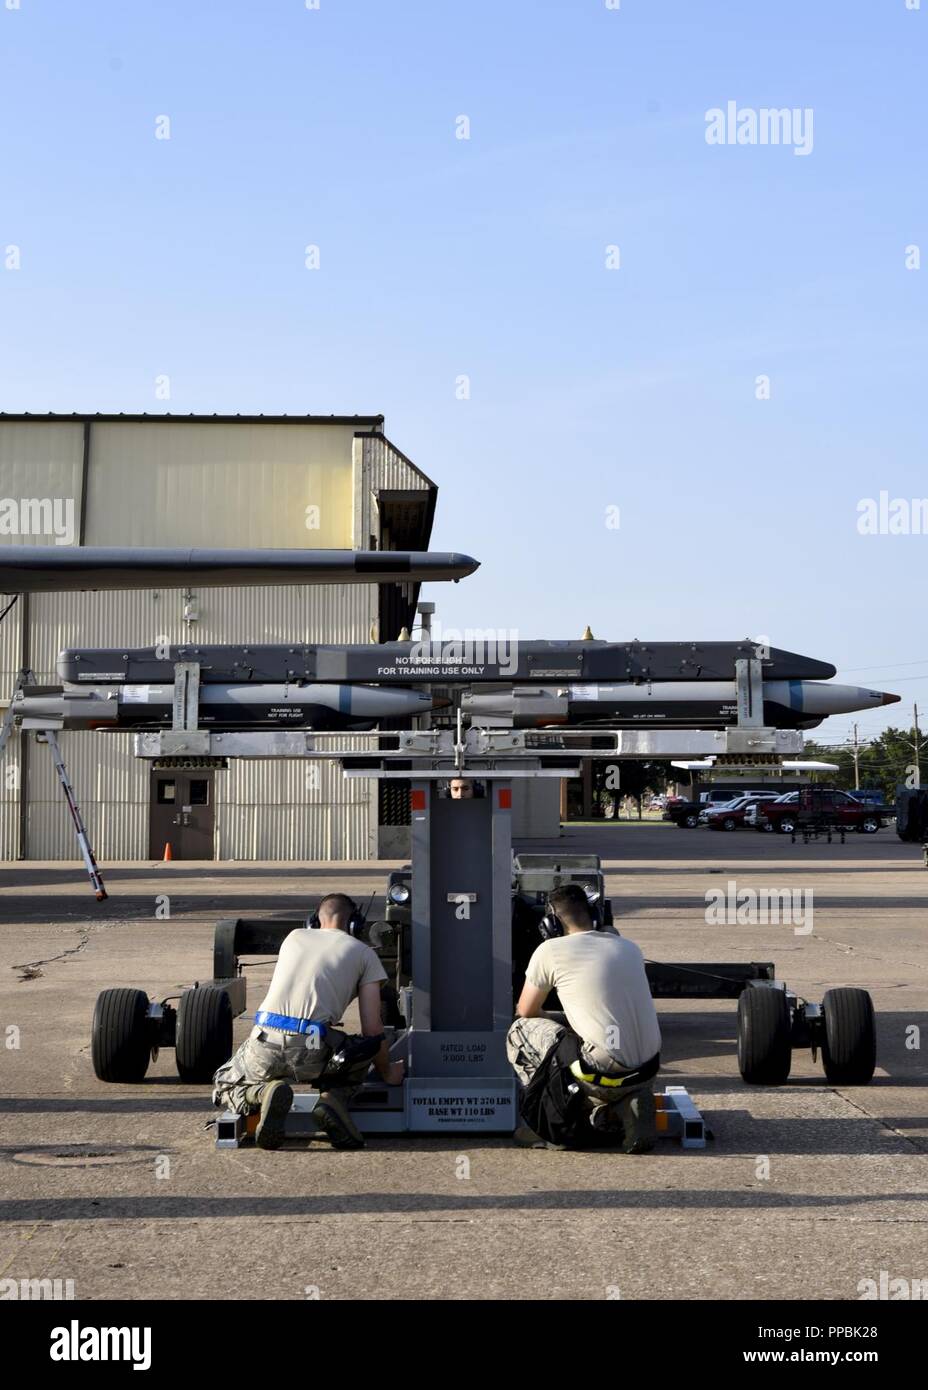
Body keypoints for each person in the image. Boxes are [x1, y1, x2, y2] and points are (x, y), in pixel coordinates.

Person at [212, 892, 405, 1150]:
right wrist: (388, 1071)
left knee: (225, 1080)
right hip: (315, 1048)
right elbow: (372, 1028)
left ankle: (262, 1093)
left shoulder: (294, 937)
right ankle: (332, 1100)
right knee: (362, 1050)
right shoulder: (364, 954)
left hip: (265, 1041)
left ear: (312, 922)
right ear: (354, 924)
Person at [507, 883, 661, 1151]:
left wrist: (564, 1025)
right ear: (594, 915)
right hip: (647, 1071)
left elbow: (526, 1010)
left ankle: (550, 1121)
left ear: (550, 923)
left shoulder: (550, 951)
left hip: (601, 1072)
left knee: (519, 1031)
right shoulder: (630, 948)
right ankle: (621, 1107)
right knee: (590, 1045)